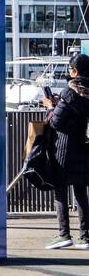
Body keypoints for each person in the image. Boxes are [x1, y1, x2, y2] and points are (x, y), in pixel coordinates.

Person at [42, 52, 89, 249]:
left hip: (63, 149)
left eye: (70, 69)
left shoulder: (69, 93)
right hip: (82, 147)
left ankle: (64, 234)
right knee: (80, 192)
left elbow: (56, 122)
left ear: (75, 71)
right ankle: (85, 236)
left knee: (60, 191)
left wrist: (50, 107)